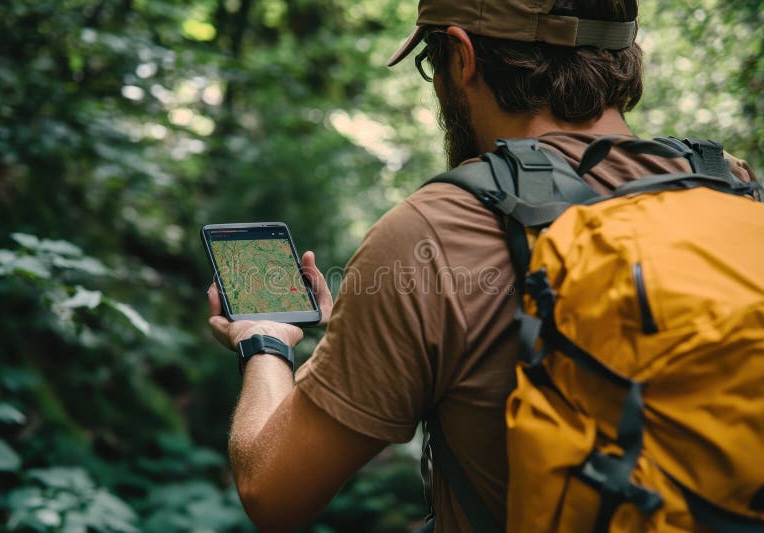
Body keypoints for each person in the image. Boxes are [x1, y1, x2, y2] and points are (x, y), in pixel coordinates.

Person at [206, 0, 759, 531]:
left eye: (433, 62)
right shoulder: (734, 189)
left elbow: (271, 491)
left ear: (463, 57)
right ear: (623, 53)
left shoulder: (430, 235)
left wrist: (265, 341)